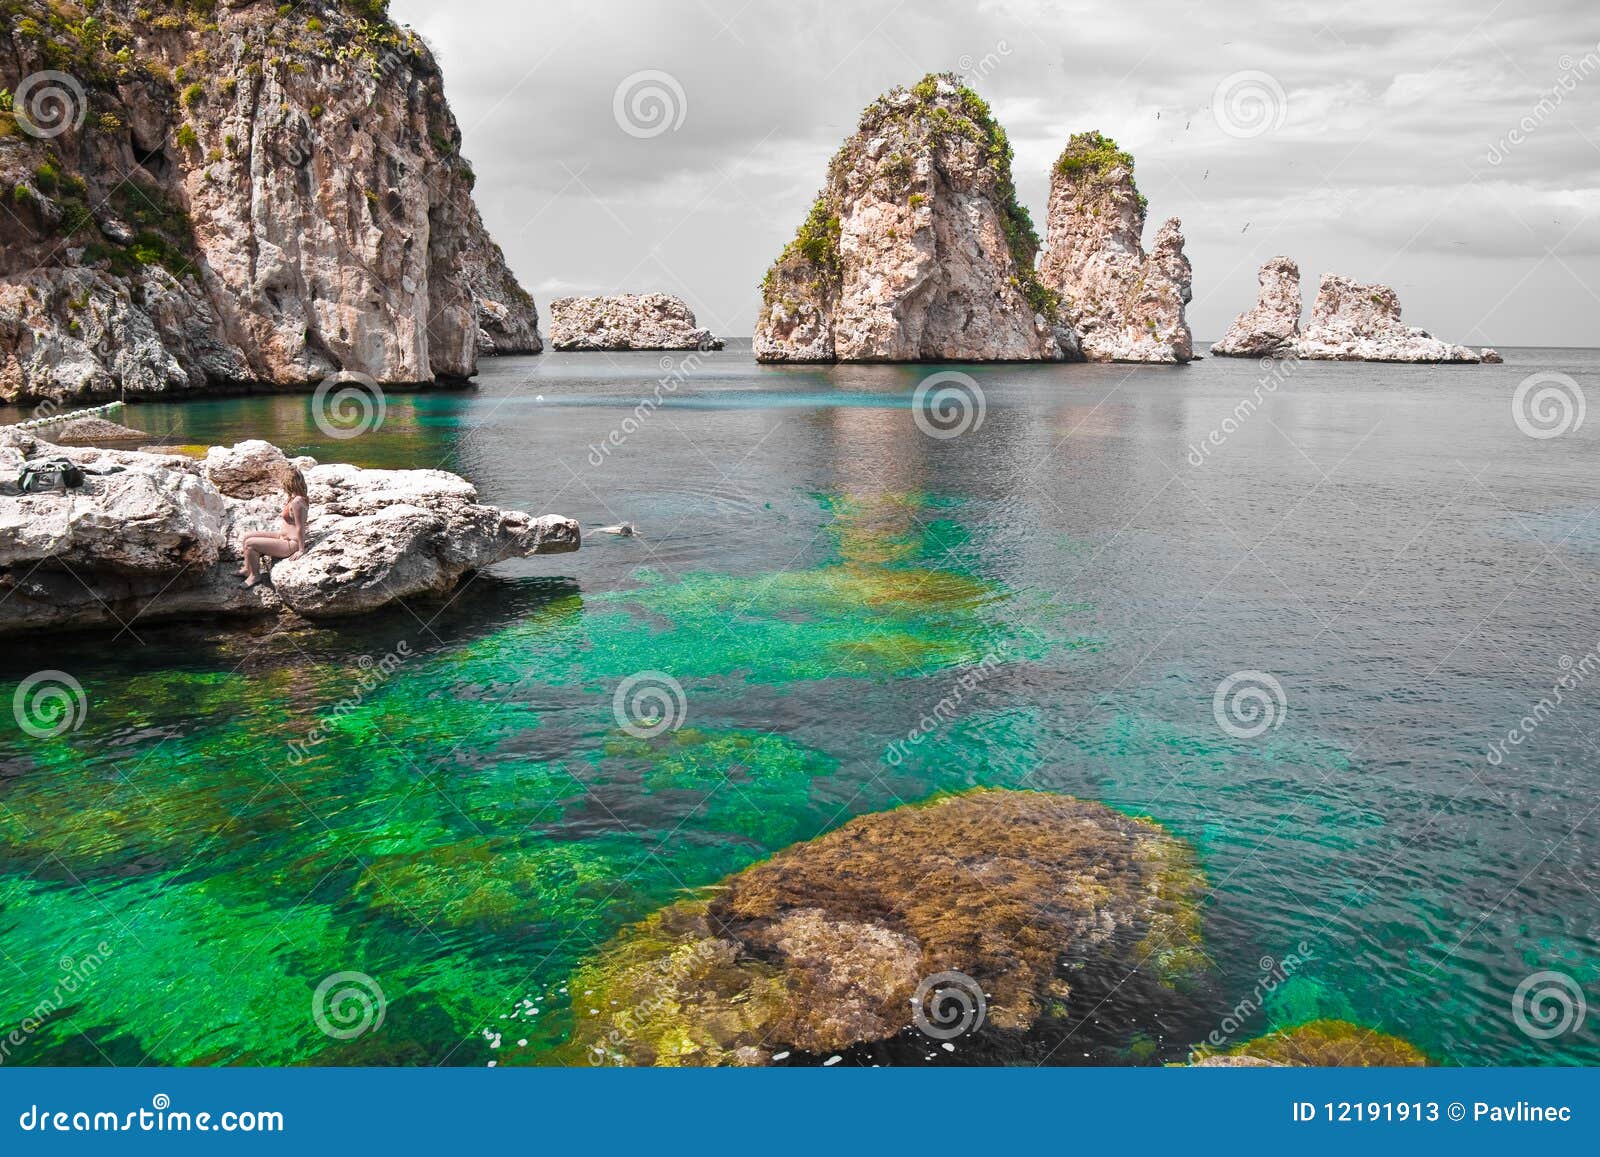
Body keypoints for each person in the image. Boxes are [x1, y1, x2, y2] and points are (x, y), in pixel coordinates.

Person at [240, 463, 310, 587]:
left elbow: (300, 526)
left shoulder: (297, 501)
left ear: (288, 483)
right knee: (246, 536)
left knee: (250, 544)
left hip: (290, 544)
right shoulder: (294, 498)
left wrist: (301, 549)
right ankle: (247, 569)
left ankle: (255, 576)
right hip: (281, 536)